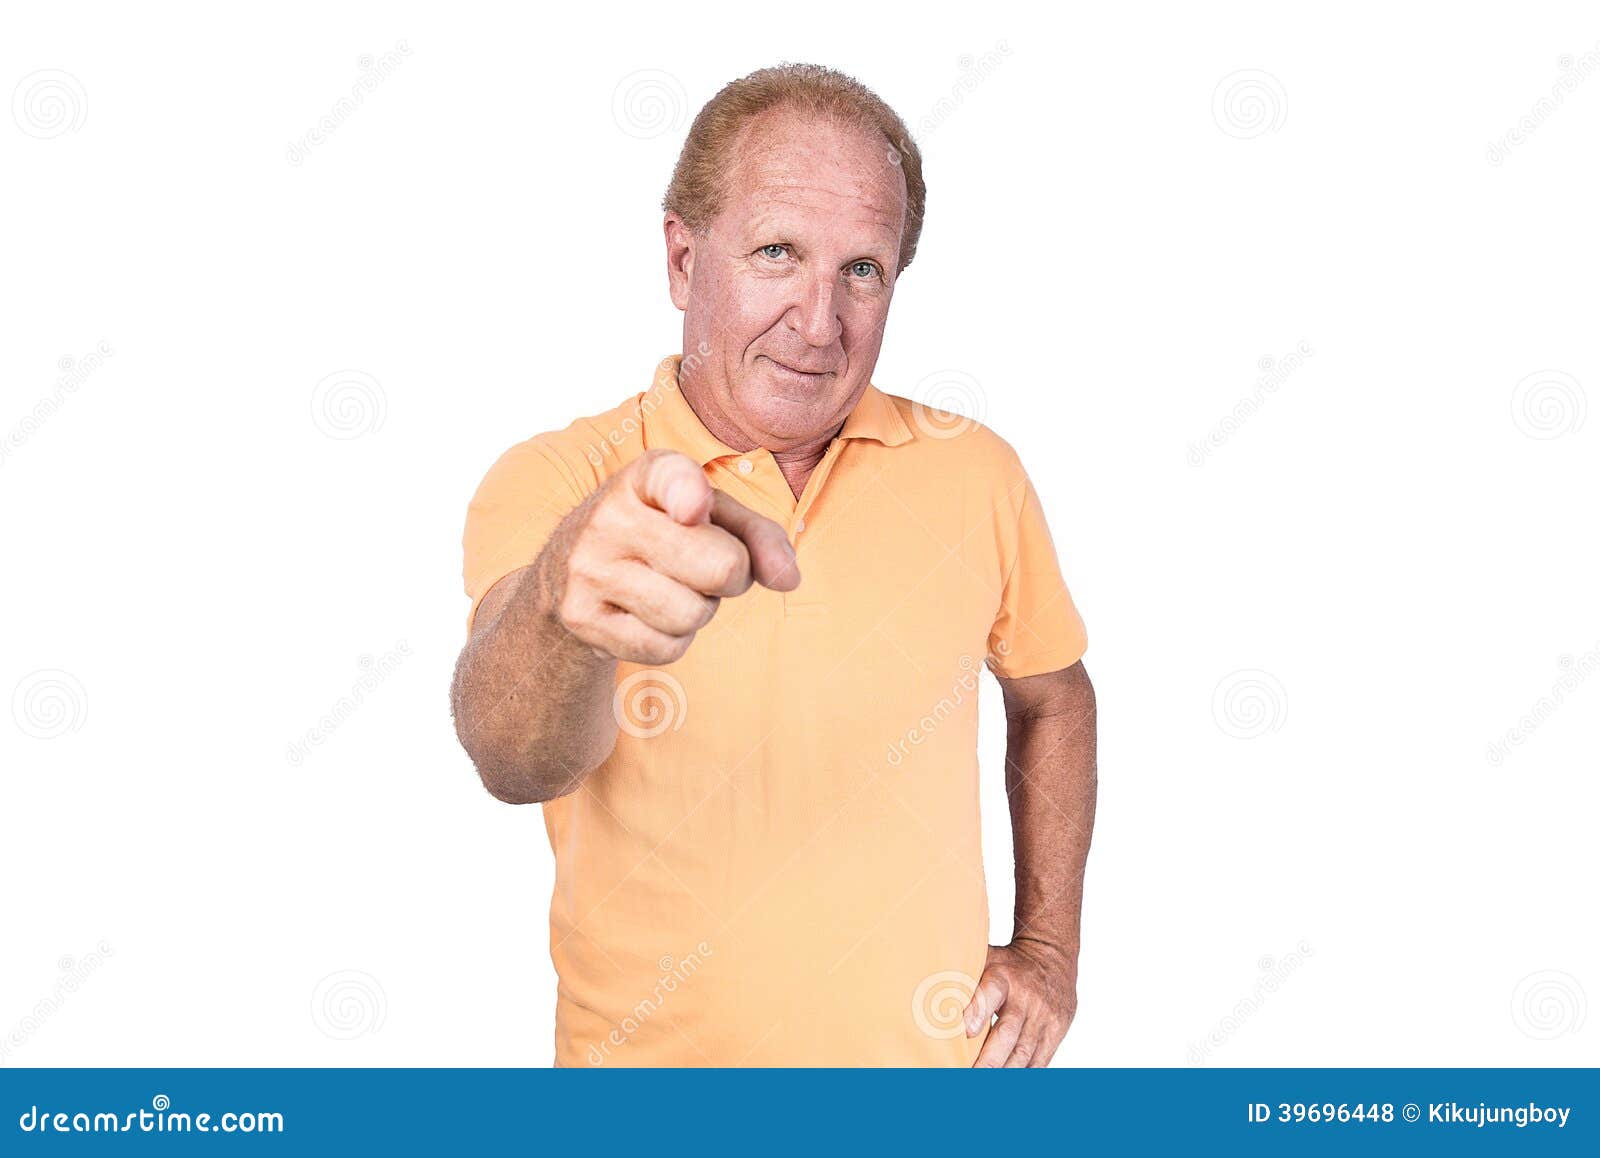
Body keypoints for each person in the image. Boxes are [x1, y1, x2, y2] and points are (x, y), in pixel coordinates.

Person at [450, 63, 1097, 1067]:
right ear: (680, 258)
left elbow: (1052, 695)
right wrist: (559, 608)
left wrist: (1049, 951)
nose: (819, 322)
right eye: (776, 252)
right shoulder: (559, 480)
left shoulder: (974, 470)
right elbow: (511, 757)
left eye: (862, 270)